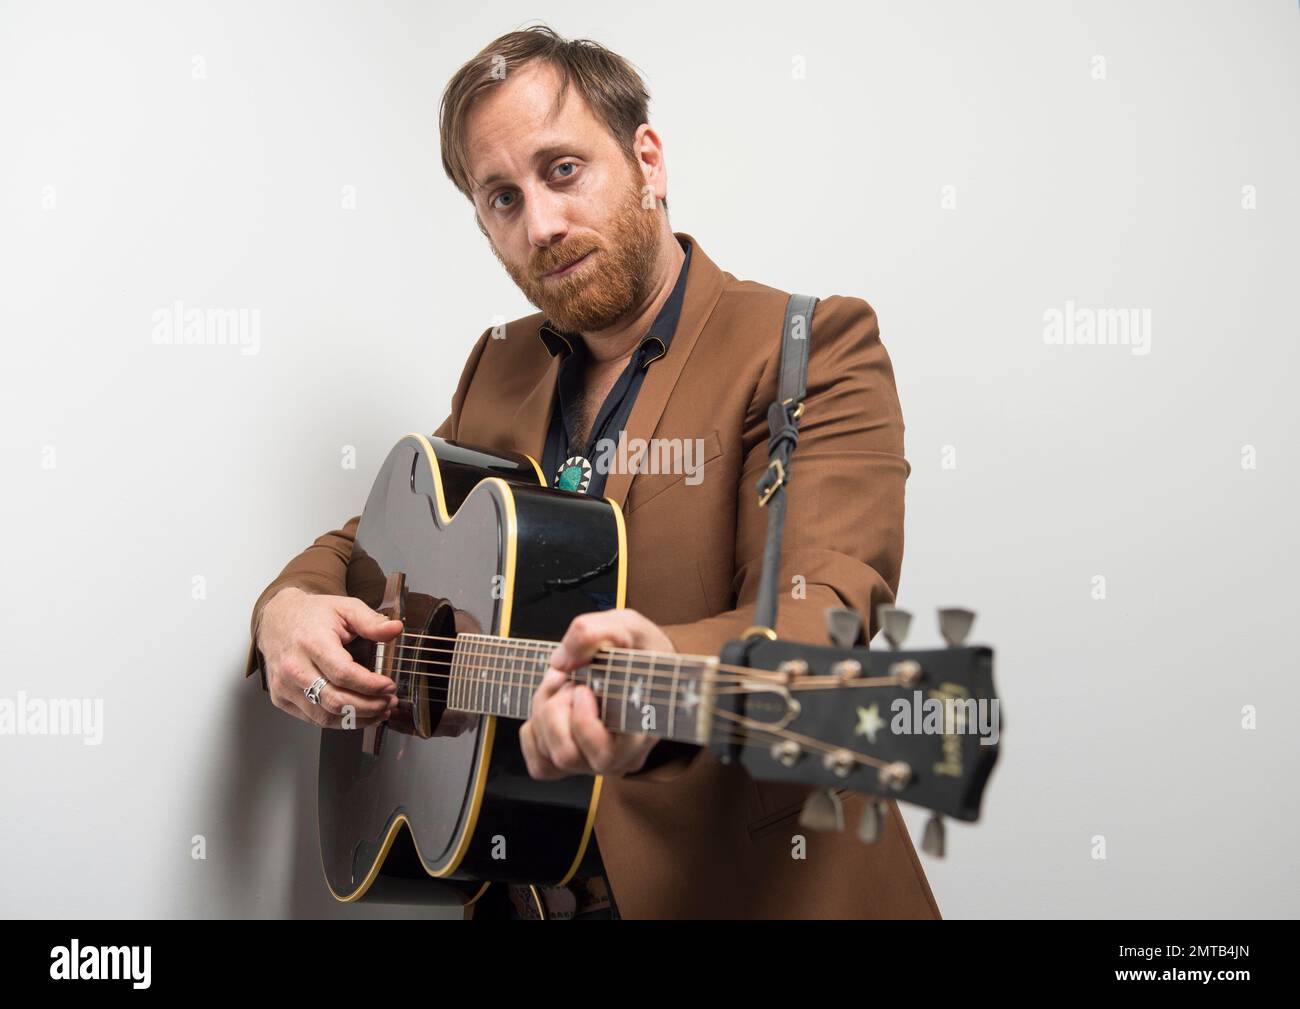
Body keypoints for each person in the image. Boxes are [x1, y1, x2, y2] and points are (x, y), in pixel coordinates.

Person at [245, 25, 939, 920]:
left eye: (562, 170)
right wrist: (284, 608)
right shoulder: (499, 364)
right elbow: (374, 547)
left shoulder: (807, 347)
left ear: (646, 158)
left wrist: (660, 673)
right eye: (502, 198)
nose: (541, 224)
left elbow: (820, 617)